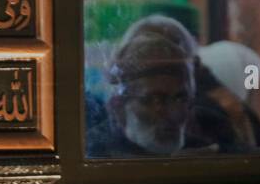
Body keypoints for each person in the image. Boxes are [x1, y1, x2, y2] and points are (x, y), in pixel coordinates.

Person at [87, 15, 209, 157]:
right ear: (118, 106)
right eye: (156, 100)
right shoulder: (94, 154)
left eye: (180, 99)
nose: (173, 113)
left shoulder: (206, 146)